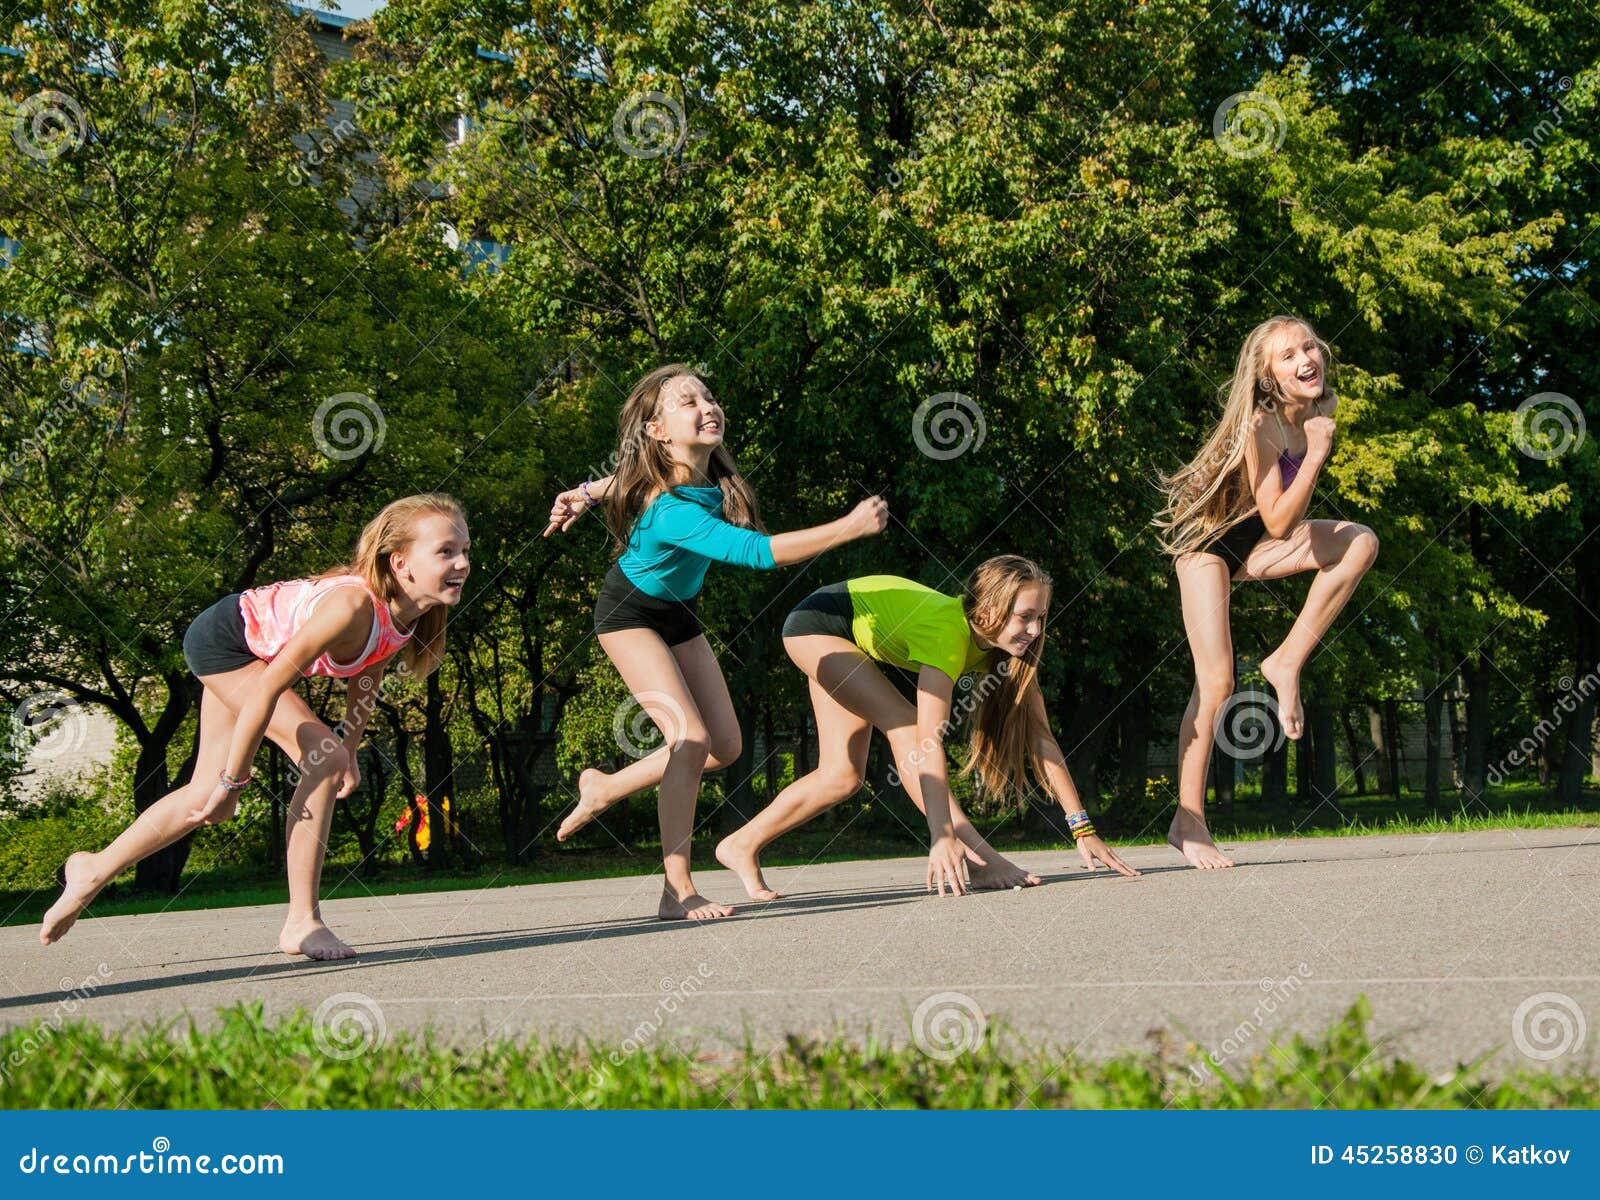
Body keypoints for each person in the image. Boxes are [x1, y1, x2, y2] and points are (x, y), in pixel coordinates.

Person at [40, 493, 471, 959]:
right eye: (445, 551)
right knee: (314, 760)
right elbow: (266, 690)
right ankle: (302, 923)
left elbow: (368, 667)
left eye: (465, 550)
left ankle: (93, 868)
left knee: (204, 795)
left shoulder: (409, 611)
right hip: (223, 645)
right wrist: (235, 781)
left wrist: (349, 744)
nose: (462, 563)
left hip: (247, 651)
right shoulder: (349, 605)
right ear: (400, 561)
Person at [544, 364, 886, 919]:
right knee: (690, 739)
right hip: (629, 615)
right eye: (687, 402)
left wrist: (584, 491)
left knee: (724, 747)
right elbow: (757, 553)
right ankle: (675, 890)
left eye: (708, 396)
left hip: (678, 615)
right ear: (657, 430)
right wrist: (845, 527)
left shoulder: (692, 482)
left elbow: (623, 480)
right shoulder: (671, 509)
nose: (707, 406)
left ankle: (605, 789)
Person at [715, 557, 1139, 899]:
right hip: (817, 624)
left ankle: (740, 844)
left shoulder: (1007, 654)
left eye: (1042, 616)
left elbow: (1041, 739)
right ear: (989, 611)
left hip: (847, 633)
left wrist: (1082, 827)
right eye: (1025, 616)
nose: (1035, 629)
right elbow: (926, 743)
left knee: (841, 777)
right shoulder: (947, 636)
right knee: (905, 726)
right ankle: (982, 859)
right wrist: (941, 835)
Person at [1155, 316, 1379, 869]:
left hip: (1254, 548)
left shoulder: (1320, 409)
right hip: (1207, 547)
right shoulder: (1260, 426)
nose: (1306, 359)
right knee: (1217, 683)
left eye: (1309, 346)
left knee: (1360, 543)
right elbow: (1280, 519)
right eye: (1287, 356)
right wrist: (1318, 454)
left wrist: (1316, 441)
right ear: (1266, 376)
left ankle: (1286, 662)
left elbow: (1275, 526)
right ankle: (1188, 820)